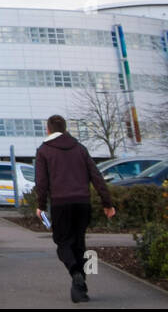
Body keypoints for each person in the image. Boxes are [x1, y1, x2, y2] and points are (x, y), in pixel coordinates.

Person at [33, 115, 116, 302]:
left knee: (63, 242)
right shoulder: (80, 148)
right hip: (82, 203)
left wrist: (40, 206)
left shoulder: (44, 151)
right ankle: (81, 290)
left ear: (48, 129)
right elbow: (96, 176)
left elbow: (42, 182)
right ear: (65, 128)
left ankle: (75, 272)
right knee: (79, 243)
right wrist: (107, 203)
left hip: (61, 204)